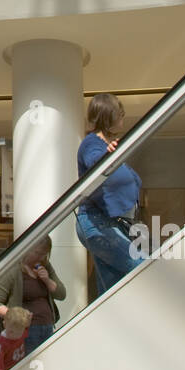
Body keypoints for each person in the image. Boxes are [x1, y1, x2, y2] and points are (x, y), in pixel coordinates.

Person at [76, 92, 145, 294]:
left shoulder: (105, 145)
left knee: (112, 287)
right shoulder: (93, 144)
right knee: (143, 266)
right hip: (98, 223)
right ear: (109, 116)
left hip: (106, 223)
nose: (123, 118)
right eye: (119, 114)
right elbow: (94, 162)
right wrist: (107, 156)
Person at [0, 236, 65, 353]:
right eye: (38, 253)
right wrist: (16, 316)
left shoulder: (46, 265)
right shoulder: (13, 268)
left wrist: (47, 280)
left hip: (47, 325)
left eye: (44, 254)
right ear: (28, 248)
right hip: (24, 329)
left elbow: (62, 294)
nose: (40, 258)